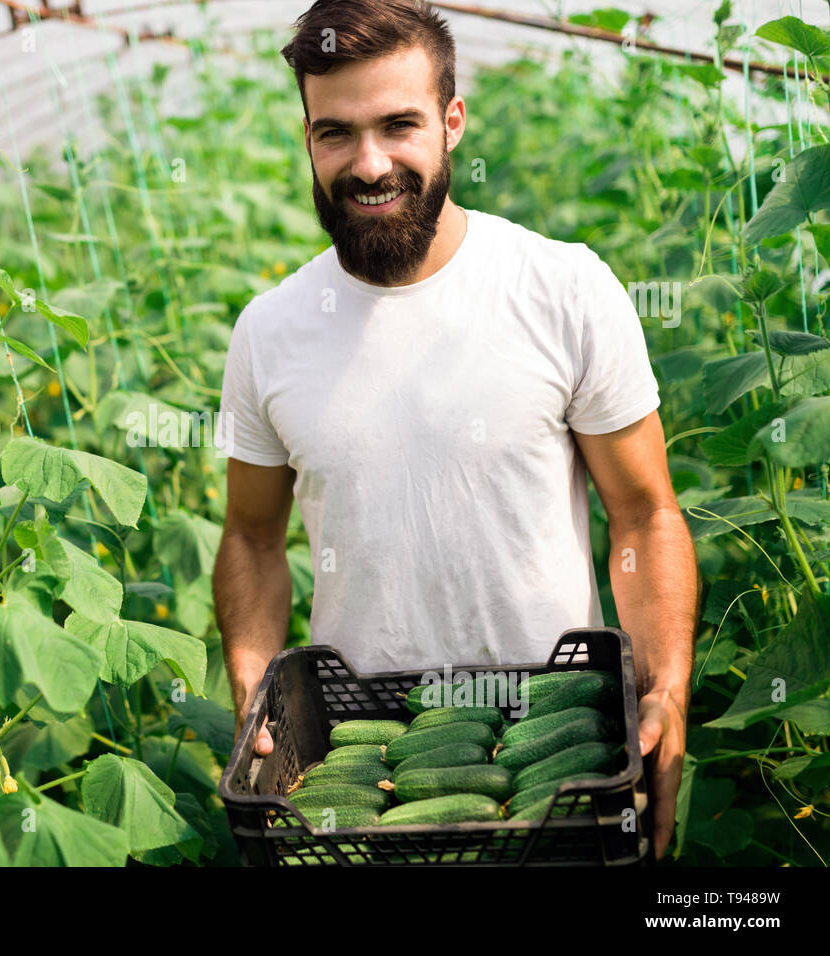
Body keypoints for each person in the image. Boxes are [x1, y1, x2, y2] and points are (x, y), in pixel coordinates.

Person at [212, 0, 697, 860]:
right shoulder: (270, 329)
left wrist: (666, 690)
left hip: (557, 762)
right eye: (336, 133)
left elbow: (645, 514)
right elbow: (251, 536)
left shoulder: (564, 290)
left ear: (452, 122)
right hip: (360, 777)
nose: (369, 164)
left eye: (400, 125)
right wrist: (255, 686)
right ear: (307, 138)